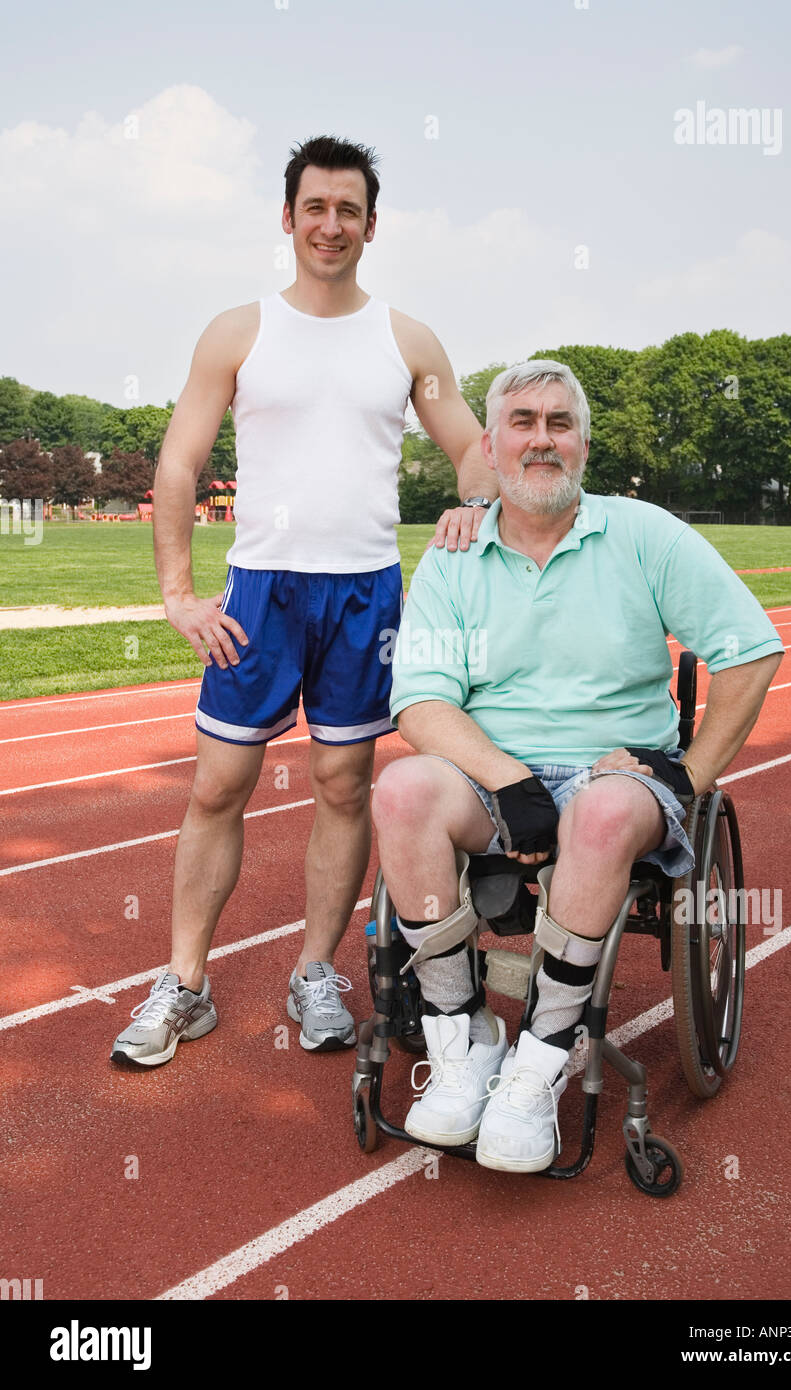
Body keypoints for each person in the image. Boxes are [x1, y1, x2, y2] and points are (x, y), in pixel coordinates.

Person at [111, 135, 495, 1067]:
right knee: (216, 787)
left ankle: (315, 972)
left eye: (349, 210)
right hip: (262, 590)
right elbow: (178, 462)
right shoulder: (238, 332)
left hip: (366, 593)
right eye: (315, 207)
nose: (331, 225)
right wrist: (178, 594)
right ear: (288, 218)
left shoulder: (408, 340)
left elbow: (475, 449)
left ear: (371, 225)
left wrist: (470, 505)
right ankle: (184, 983)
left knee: (343, 786)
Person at [371, 359, 784, 1173]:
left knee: (597, 812)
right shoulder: (456, 554)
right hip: (493, 772)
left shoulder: (644, 532)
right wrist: (507, 778)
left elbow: (750, 651)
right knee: (403, 787)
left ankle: (539, 1064)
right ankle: (462, 1044)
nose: (541, 439)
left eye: (560, 424)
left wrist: (688, 775)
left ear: (584, 444)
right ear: (488, 446)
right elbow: (420, 704)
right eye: (522, 423)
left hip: (618, 770)